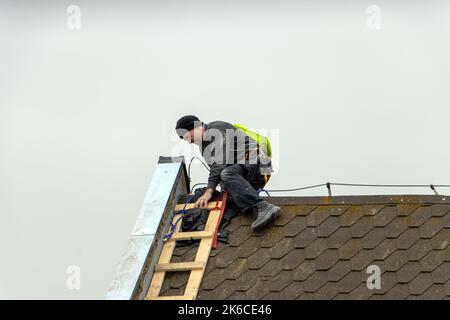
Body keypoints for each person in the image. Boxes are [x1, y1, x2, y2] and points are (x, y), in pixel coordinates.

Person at [175, 115, 281, 231]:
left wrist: (208, 192)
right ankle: (251, 207)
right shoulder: (204, 148)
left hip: (258, 163)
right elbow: (217, 171)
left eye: (188, 136)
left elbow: (219, 164)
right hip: (242, 172)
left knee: (226, 174)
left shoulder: (216, 128)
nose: (189, 142)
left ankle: (264, 207)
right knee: (226, 191)